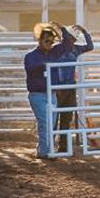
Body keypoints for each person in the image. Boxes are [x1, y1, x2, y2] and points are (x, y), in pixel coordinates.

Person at [23, 22, 78, 158]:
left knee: (50, 123)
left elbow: (68, 45)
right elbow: (31, 68)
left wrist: (63, 30)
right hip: (38, 94)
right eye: (47, 40)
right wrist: (44, 65)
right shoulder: (30, 56)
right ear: (40, 40)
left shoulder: (54, 53)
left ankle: (43, 148)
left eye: (52, 41)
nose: (50, 43)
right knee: (45, 122)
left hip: (51, 93)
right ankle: (45, 152)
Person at [49, 24, 93, 155]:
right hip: (59, 87)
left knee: (66, 118)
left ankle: (63, 146)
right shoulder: (57, 49)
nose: (72, 40)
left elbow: (90, 46)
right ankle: (51, 145)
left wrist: (85, 31)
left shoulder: (75, 49)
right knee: (55, 118)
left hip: (69, 87)